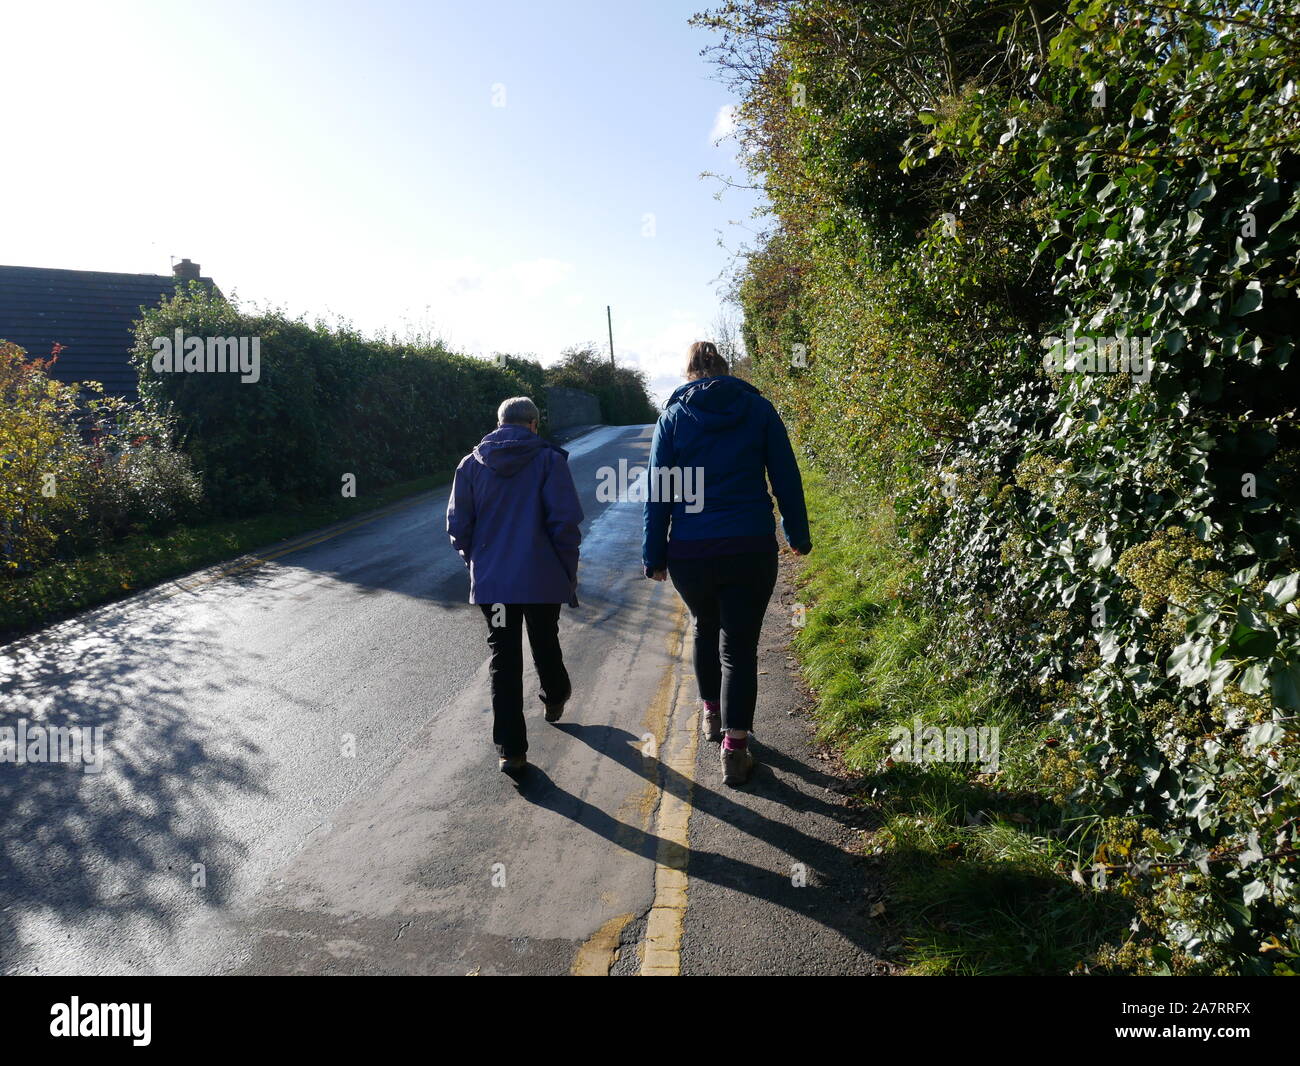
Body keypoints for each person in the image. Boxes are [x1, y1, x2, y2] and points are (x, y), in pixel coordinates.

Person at [643, 341, 811, 786]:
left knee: (704, 625)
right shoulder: (757, 410)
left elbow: (659, 491)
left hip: (691, 551)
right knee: (739, 645)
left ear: (689, 374)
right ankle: (735, 749)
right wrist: (796, 534)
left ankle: (710, 717)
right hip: (749, 544)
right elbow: (786, 476)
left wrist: (653, 554)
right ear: (723, 369)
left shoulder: (673, 419)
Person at [447, 396, 584, 776]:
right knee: (544, 638)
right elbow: (565, 525)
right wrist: (568, 572)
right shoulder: (549, 461)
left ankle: (511, 750)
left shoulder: (470, 465)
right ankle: (555, 696)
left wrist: (479, 564)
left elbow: (458, 527)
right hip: (541, 577)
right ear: (534, 425)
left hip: (495, 586)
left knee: (504, 660)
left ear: (499, 423)